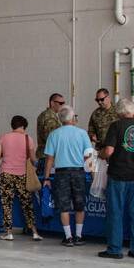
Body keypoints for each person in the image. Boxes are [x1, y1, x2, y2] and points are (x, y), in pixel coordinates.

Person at [97, 98, 134, 259]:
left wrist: (100, 154)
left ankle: (115, 249)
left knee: (115, 212)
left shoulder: (116, 126)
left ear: (119, 112)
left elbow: (108, 151)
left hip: (118, 175)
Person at [43, 105, 91, 246]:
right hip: (78, 173)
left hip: (61, 174)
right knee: (79, 205)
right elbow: (89, 156)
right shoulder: (82, 133)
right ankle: (78, 235)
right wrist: (93, 174)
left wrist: (46, 178)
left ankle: (68, 237)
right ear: (73, 118)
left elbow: (49, 159)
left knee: (63, 206)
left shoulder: (54, 134)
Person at [0, 115, 41, 242]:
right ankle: (34, 232)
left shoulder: (4, 137)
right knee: (27, 203)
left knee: (7, 203)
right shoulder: (27, 138)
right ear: (23, 126)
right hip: (22, 174)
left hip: (6, 174)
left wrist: (6, 153)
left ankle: (9, 233)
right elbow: (33, 158)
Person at [36, 93, 65, 166]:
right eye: (60, 103)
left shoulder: (49, 115)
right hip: (48, 157)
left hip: (46, 155)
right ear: (52, 103)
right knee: (48, 177)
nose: (62, 105)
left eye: (63, 103)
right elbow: (51, 137)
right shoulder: (49, 117)